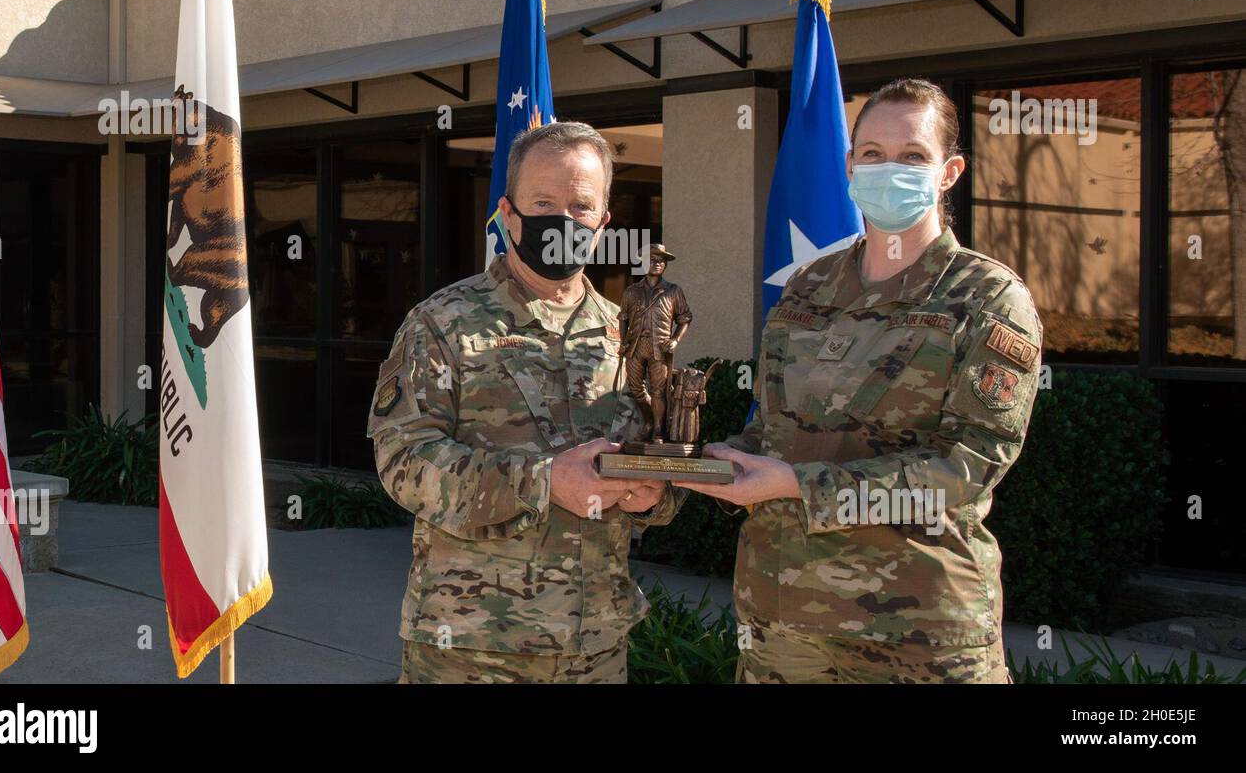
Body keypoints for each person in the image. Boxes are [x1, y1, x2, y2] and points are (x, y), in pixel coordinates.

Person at [678, 78, 1042, 684]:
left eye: (912, 156)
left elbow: (965, 469)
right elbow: (769, 435)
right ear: (849, 165)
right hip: (783, 619)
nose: (887, 169)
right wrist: (691, 466)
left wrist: (797, 486)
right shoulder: (807, 289)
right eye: (871, 154)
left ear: (949, 171)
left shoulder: (987, 298)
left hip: (917, 630)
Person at [368, 120, 681, 683]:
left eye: (580, 206)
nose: (562, 219)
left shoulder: (626, 335)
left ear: (603, 223)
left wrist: (652, 496)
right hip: (472, 648)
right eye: (543, 202)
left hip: (596, 648)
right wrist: (543, 480)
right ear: (509, 215)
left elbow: (658, 468)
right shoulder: (442, 324)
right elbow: (403, 463)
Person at [618, 244, 692, 442]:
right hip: (635, 345)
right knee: (635, 388)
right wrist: (623, 341)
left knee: (659, 390)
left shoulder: (673, 291)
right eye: (652, 259)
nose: (658, 263)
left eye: (662, 260)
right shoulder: (631, 291)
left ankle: (658, 429)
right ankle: (649, 420)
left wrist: (675, 340)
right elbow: (623, 317)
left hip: (659, 347)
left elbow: (684, 318)